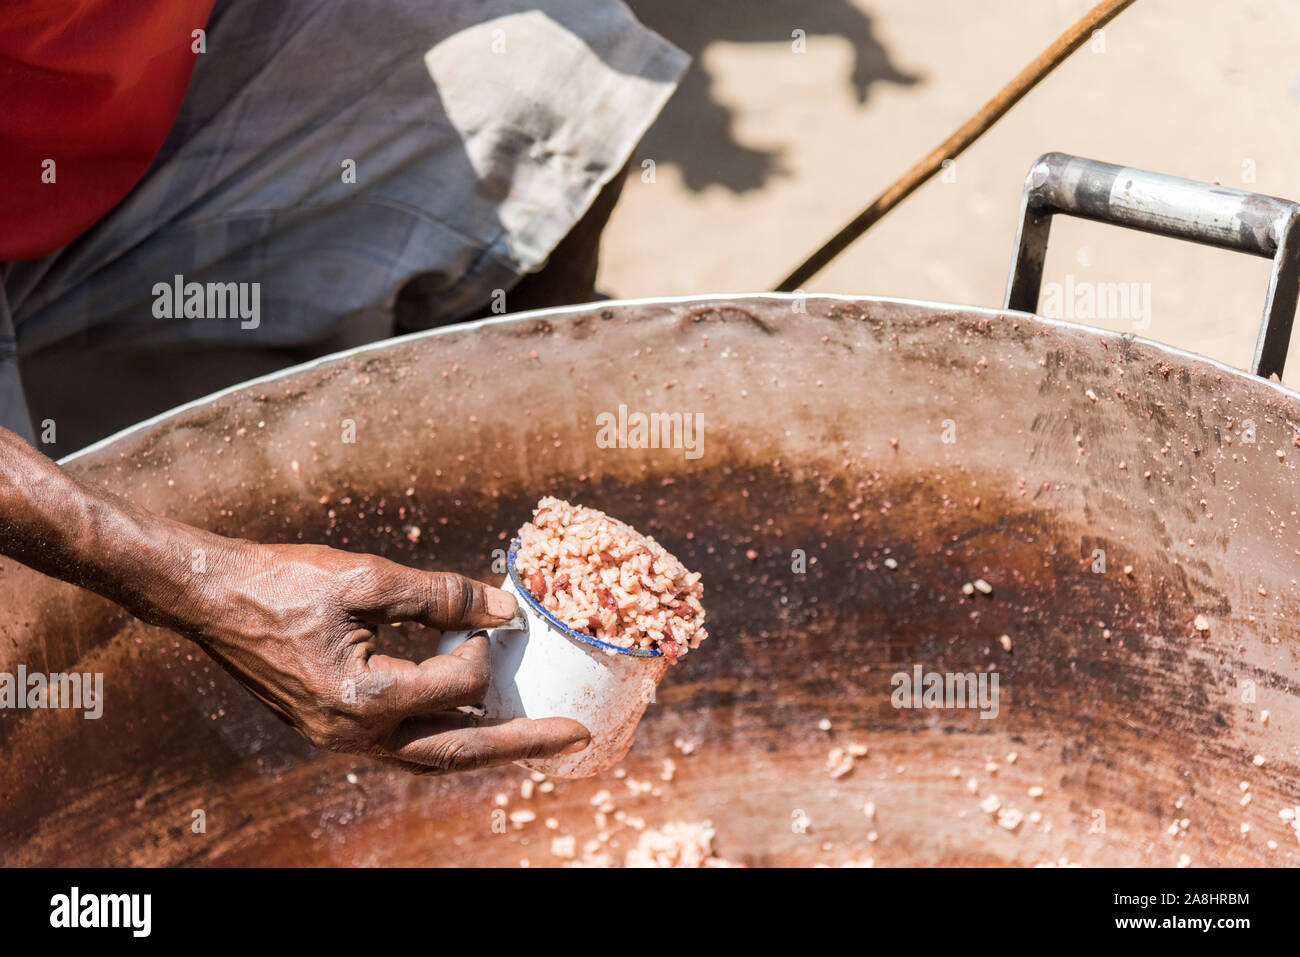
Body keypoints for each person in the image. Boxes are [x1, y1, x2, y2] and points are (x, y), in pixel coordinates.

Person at [0, 0, 687, 771]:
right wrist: (199, 583)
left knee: (547, 73)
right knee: (20, 625)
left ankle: (453, 575)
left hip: (113, 117)